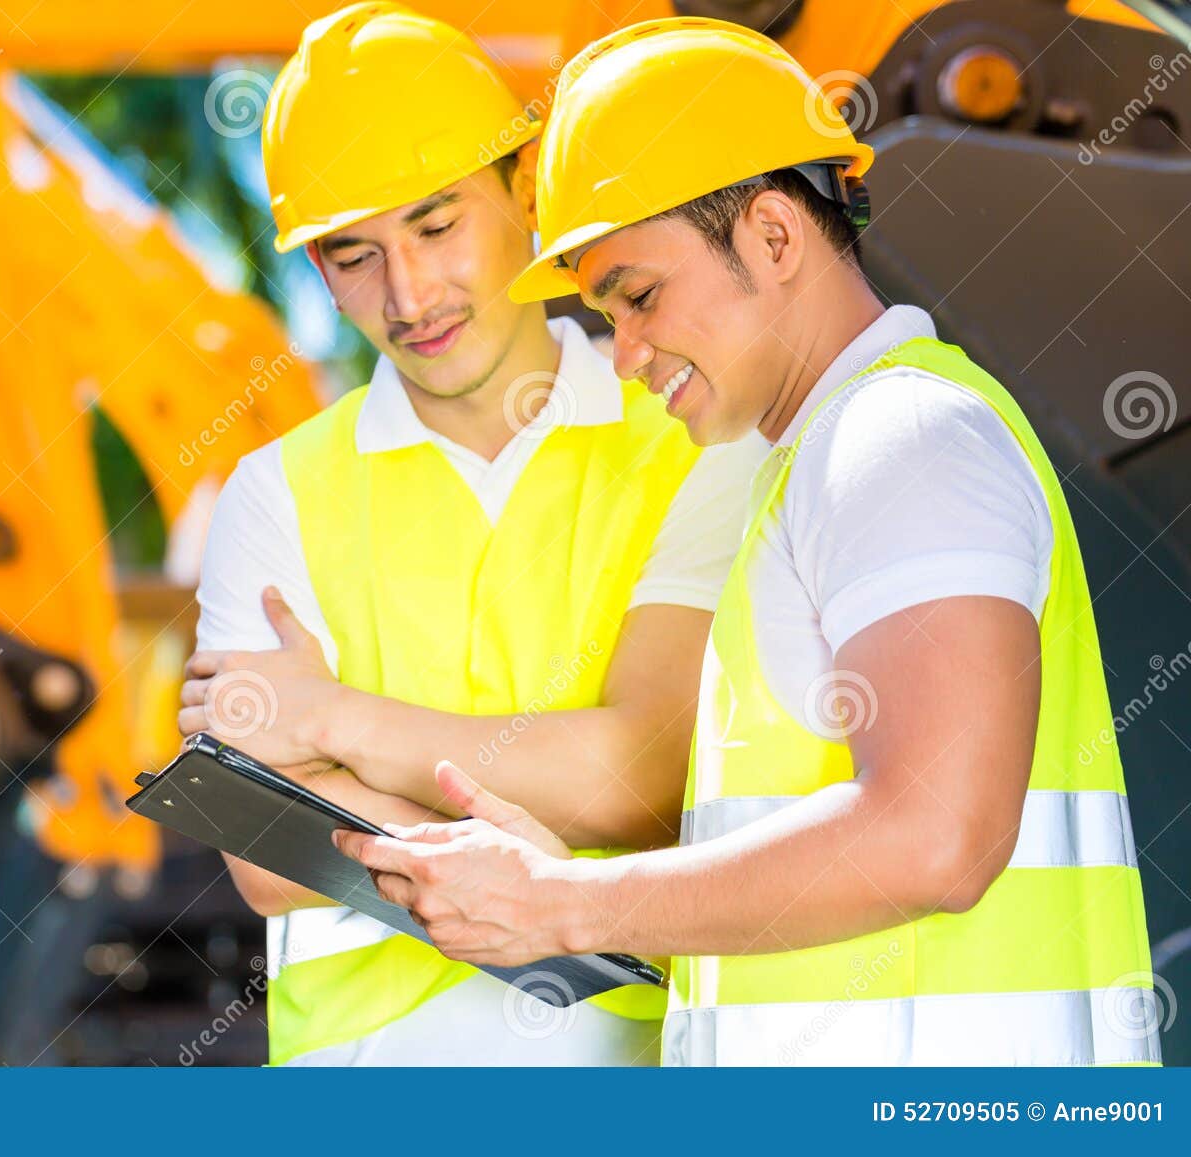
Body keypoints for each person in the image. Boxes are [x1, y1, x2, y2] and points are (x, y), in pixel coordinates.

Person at [335, 16, 1159, 1067]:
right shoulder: (819, 463)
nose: (624, 354)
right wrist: (569, 890)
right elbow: (827, 896)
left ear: (774, 236)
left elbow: (936, 837)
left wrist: (573, 900)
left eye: (636, 297)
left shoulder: (897, 439)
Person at [180, 4, 763, 1066]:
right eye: (353, 255)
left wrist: (330, 724)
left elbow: (644, 777)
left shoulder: (692, 439)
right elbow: (266, 848)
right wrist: (558, 800)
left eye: (436, 225)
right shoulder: (276, 492)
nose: (408, 295)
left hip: (638, 1063)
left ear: (524, 192)